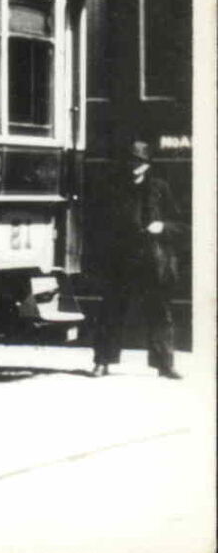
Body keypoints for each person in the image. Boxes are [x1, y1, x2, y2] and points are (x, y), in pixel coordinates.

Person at [90, 140, 183, 379]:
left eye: (139, 161)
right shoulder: (114, 188)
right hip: (121, 258)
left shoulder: (160, 188)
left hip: (152, 259)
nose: (134, 166)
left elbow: (182, 225)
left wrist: (162, 226)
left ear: (147, 163)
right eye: (130, 161)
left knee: (159, 312)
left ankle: (165, 364)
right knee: (111, 309)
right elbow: (98, 224)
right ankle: (102, 361)